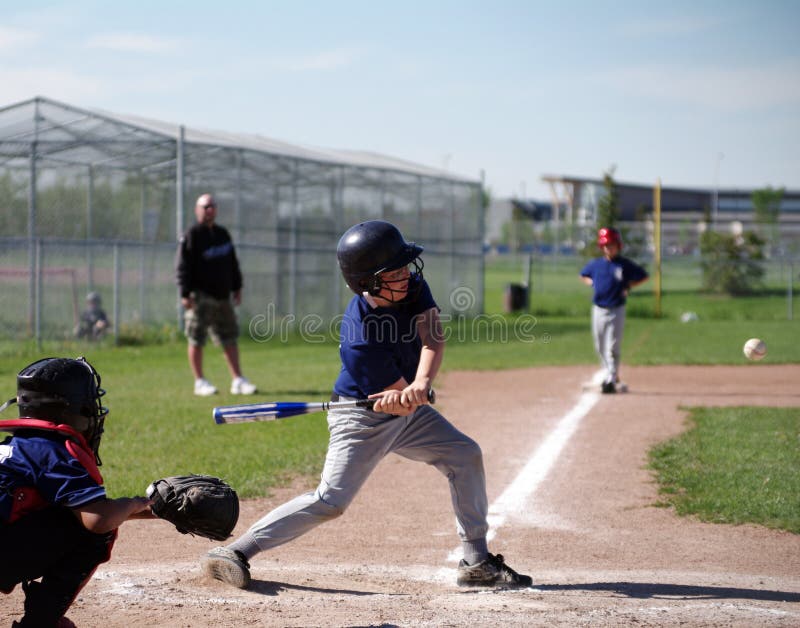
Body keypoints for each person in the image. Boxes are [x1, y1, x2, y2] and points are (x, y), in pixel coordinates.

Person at [201, 220, 531, 589]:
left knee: (464, 454)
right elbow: (398, 406)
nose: (407, 274)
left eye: (405, 266)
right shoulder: (359, 338)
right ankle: (236, 552)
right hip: (361, 419)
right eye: (395, 271)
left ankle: (476, 562)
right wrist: (406, 397)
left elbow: (432, 335)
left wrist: (420, 384)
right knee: (331, 501)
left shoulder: (411, 287)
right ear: (368, 282)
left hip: (405, 407)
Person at [0, 356, 155, 627]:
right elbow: (96, 520)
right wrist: (133, 502)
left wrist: (155, 509)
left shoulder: (17, 447)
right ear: (67, 410)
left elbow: (60, 512)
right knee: (95, 534)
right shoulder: (53, 452)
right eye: (87, 407)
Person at [176, 193, 257, 396]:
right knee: (196, 338)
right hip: (201, 297)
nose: (209, 210)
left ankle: (238, 380)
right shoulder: (192, 235)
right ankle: (200, 381)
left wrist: (237, 287)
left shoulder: (222, 234)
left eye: (212, 206)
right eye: (205, 207)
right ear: (197, 210)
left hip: (223, 296)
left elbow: (232, 263)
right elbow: (182, 267)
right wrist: (185, 293)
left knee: (229, 337)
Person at [579, 227, 649, 393]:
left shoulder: (623, 264)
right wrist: (592, 283)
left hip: (616, 308)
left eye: (611, 245)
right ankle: (609, 373)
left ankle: (610, 378)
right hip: (598, 309)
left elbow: (643, 276)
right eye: (605, 245)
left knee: (613, 346)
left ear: (618, 246)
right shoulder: (596, 265)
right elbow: (583, 275)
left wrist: (628, 286)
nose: (608, 248)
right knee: (600, 345)